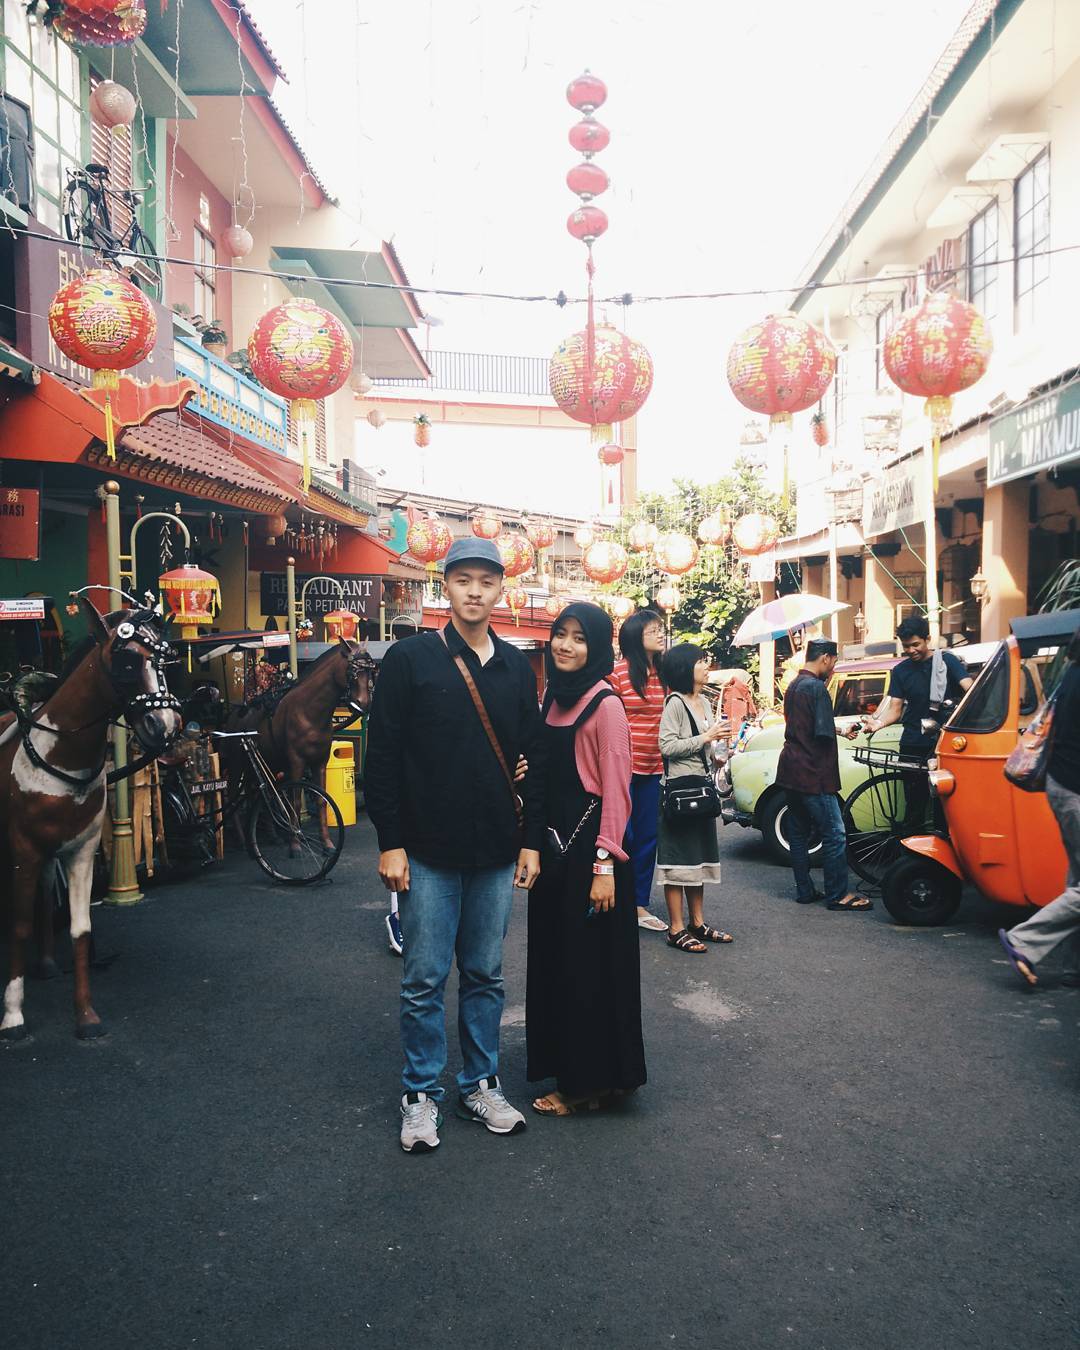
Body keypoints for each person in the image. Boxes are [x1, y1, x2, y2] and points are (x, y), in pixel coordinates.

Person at [365, 536, 546, 1154]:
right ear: (445, 585)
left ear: (501, 590)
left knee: (485, 974)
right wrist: (390, 843)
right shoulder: (410, 658)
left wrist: (531, 841)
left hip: (495, 849)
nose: (474, 591)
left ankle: (479, 1084)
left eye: (486, 581)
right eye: (463, 579)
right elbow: (382, 757)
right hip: (425, 850)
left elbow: (534, 757)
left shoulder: (515, 667)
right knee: (423, 978)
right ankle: (420, 1093)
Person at [527, 602, 646, 1115]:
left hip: (593, 855)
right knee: (561, 966)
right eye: (561, 634)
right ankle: (598, 1076)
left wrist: (604, 866)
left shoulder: (606, 704)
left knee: (588, 973)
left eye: (579, 638)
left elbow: (618, 791)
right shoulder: (553, 697)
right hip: (555, 853)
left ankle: (584, 1086)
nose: (566, 645)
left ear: (596, 647)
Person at [998, 628, 1080, 988]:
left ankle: (1074, 968)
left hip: (1061, 785)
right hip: (1075, 789)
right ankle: (1024, 941)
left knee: (1076, 883)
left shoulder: (1071, 674)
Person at [777, 638, 872, 912]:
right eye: (834, 661)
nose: (833, 667)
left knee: (798, 833)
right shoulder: (817, 688)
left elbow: (806, 726)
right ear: (826, 658)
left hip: (791, 769)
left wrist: (839, 729)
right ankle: (837, 895)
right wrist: (835, 731)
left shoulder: (794, 685)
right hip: (813, 772)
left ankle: (805, 891)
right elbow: (820, 733)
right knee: (835, 833)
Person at [861, 616, 972, 827]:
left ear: (927, 639)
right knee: (914, 805)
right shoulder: (900, 671)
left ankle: (942, 845)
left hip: (944, 744)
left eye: (915, 644)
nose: (911, 650)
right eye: (906, 646)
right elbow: (895, 710)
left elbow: (971, 690)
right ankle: (912, 845)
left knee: (945, 806)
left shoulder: (947, 661)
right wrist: (878, 723)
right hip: (912, 743)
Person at [657, 643, 732, 953]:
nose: (706, 666)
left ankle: (697, 923)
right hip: (680, 791)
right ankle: (676, 928)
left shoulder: (703, 701)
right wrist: (707, 737)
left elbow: (702, 746)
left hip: (700, 787)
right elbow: (666, 746)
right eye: (701, 662)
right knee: (677, 860)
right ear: (685, 668)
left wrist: (715, 755)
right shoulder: (675, 702)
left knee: (697, 859)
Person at [608, 608, 669, 933]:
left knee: (647, 838)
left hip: (653, 769)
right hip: (621, 770)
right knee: (621, 836)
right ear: (634, 637)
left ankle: (637, 904)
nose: (661, 634)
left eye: (661, 629)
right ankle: (611, 897)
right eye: (653, 630)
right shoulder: (617, 673)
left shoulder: (665, 673)